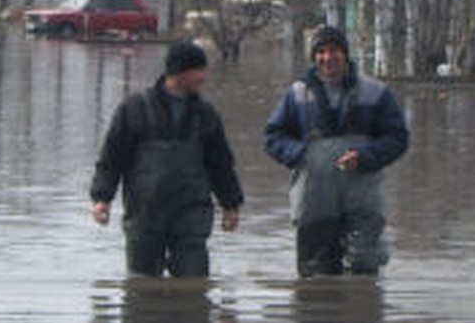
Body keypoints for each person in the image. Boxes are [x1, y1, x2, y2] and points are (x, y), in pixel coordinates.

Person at [90, 39, 243, 278]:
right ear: (180, 72)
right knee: (141, 291)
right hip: (145, 216)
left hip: (191, 217)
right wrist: (102, 198)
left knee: (194, 288)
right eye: (199, 70)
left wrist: (231, 204)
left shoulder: (206, 114)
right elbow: (112, 158)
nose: (204, 76)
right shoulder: (135, 108)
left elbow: (220, 164)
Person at [264, 25, 409, 277]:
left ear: (345, 54)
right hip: (314, 202)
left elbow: (398, 137)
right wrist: (298, 154)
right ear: (314, 57)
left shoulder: (376, 92)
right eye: (320, 52)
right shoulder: (297, 94)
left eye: (333, 51)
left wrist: (366, 157)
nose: (327, 57)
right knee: (315, 278)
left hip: (364, 200)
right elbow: (273, 137)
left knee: (364, 267)